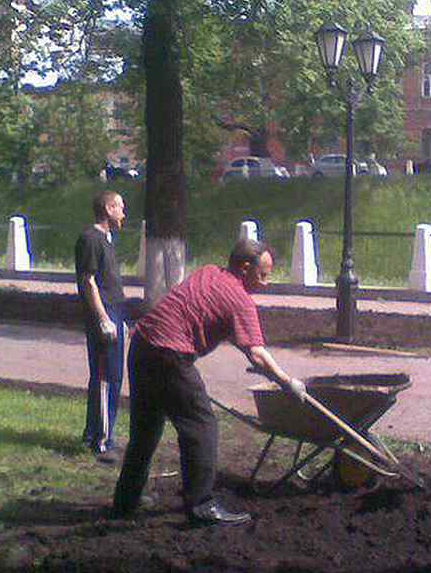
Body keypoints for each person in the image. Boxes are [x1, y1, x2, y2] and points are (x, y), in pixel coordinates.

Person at [112, 238, 306, 526]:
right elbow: (256, 353)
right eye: (263, 275)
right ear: (244, 268)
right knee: (201, 426)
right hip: (169, 354)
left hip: (143, 345)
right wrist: (287, 382)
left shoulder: (209, 272)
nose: (266, 283)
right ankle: (202, 506)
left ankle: (126, 501)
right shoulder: (239, 300)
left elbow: (213, 317)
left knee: (146, 429)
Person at [75, 190, 127, 464]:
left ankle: (92, 434)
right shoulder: (91, 239)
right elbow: (88, 281)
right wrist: (104, 318)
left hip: (114, 312)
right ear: (108, 208)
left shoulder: (106, 239)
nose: (123, 214)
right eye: (120, 208)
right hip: (104, 315)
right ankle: (103, 442)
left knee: (107, 377)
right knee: (108, 377)